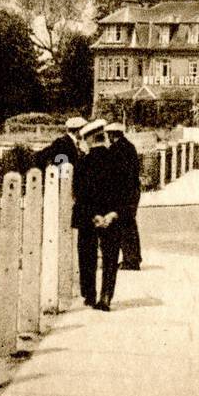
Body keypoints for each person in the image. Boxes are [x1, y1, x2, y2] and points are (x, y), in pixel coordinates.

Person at [74, 119, 125, 311]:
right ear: (103, 137)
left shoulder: (83, 163)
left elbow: (80, 194)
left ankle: (90, 295)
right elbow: (127, 191)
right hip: (113, 217)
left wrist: (94, 215)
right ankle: (105, 298)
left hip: (89, 218)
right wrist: (113, 213)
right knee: (110, 257)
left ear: (88, 139)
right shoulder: (119, 160)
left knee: (87, 255)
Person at [105, 122, 143, 271]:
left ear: (113, 135)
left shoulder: (116, 149)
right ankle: (133, 257)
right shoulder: (130, 147)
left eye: (109, 135)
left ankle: (131, 260)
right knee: (130, 224)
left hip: (122, 194)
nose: (108, 138)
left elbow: (114, 174)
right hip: (132, 192)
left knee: (124, 226)